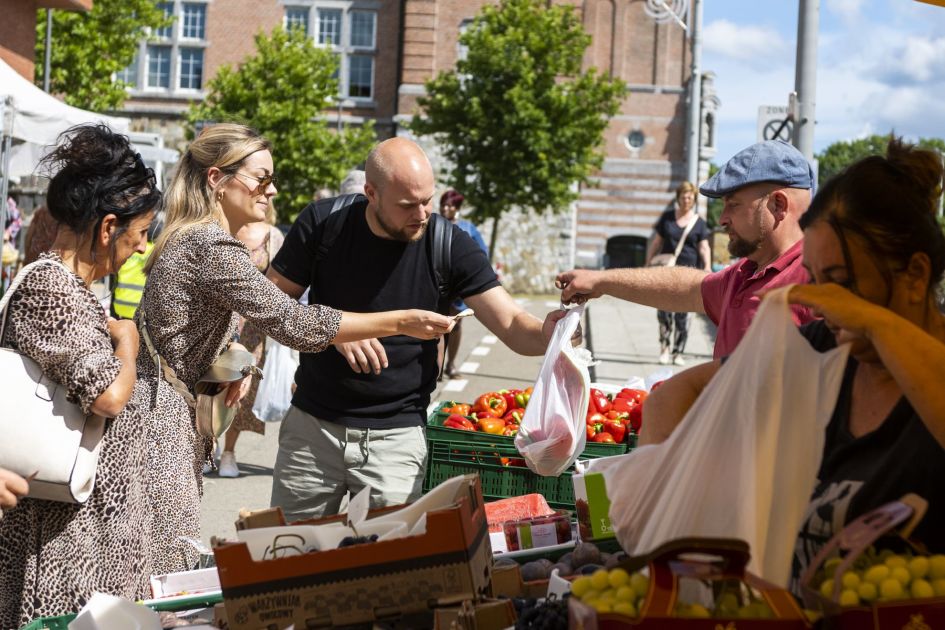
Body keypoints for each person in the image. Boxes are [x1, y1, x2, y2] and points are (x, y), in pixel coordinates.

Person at [139, 124, 453, 574]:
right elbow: (294, 321)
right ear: (216, 180)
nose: (273, 190)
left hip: (163, 419)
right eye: (262, 178)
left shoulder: (192, 235)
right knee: (164, 563)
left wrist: (236, 362)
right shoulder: (210, 244)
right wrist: (405, 320)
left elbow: (197, 326)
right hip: (162, 429)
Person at [638, 138, 945, 593]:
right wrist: (664, 528)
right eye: (816, 280)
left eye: (838, 283)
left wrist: (874, 325)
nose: (821, 302)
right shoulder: (822, 346)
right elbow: (673, 397)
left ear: (915, 276)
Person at [267, 137, 568, 521]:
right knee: (287, 559)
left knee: (391, 570)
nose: (423, 213)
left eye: (428, 199)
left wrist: (550, 332)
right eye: (408, 204)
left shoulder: (448, 243)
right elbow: (268, 305)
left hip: (397, 439)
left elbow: (510, 323)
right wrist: (332, 327)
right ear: (371, 194)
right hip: (312, 431)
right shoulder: (324, 223)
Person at [0, 123, 161, 627]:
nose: (141, 249)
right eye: (139, 235)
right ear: (108, 227)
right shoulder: (52, 287)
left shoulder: (71, 288)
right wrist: (127, 345)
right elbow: (109, 396)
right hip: (54, 543)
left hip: (76, 531)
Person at [557, 140, 818, 358]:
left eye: (734, 205)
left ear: (779, 206)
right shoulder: (746, 274)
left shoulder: (819, 283)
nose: (722, 219)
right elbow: (689, 287)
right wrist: (600, 281)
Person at [217, 201, 285, 478]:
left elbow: (281, 286)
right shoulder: (223, 227)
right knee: (210, 384)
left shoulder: (273, 236)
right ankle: (207, 444)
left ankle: (229, 452)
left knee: (239, 389)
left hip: (252, 328)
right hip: (219, 317)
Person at [647, 181, 711, 366]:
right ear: (678, 198)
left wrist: (707, 266)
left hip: (688, 274)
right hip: (666, 271)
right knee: (664, 312)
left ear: (694, 200)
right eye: (683, 196)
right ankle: (664, 349)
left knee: (683, 314)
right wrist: (648, 261)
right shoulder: (667, 218)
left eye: (690, 197)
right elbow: (657, 241)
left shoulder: (699, 223)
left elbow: (704, 247)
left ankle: (678, 352)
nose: (686, 200)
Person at [437, 189, 489, 379]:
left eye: (449, 205)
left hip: (458, 288)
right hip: (437, 284)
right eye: (443, 204)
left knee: (455, 326)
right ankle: (437, 368)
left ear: (457, 208)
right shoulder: (432, 224)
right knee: (436, 327)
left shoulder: (468, 229)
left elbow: (481, 255)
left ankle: (451, 364)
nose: (445, 208)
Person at [111, 211, 164, 319]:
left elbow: (113, 281)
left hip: (120, 307)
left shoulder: (128, 249)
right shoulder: (154, 252)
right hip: (141, 310)